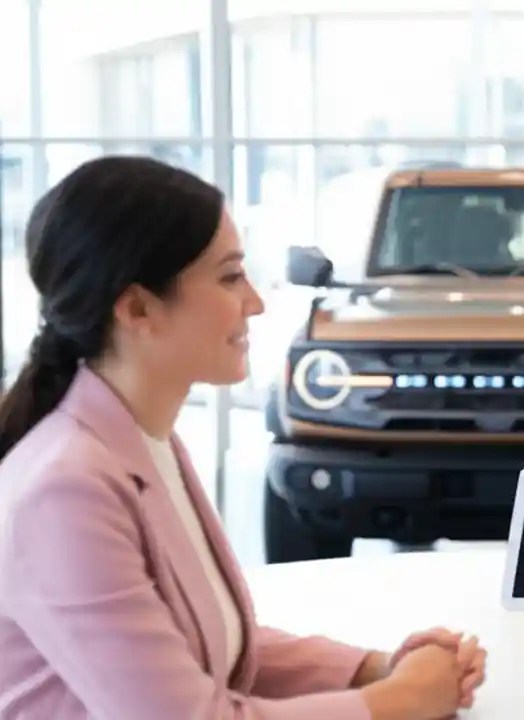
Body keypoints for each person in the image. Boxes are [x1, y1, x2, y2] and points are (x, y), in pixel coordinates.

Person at [0, 156, 486, 720]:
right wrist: (396, 701)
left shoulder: (143, 442)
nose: (255, 301)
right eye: (230, 276)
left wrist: (374, 668)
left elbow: (199, 645)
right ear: (137, 308)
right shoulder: (65, 491)